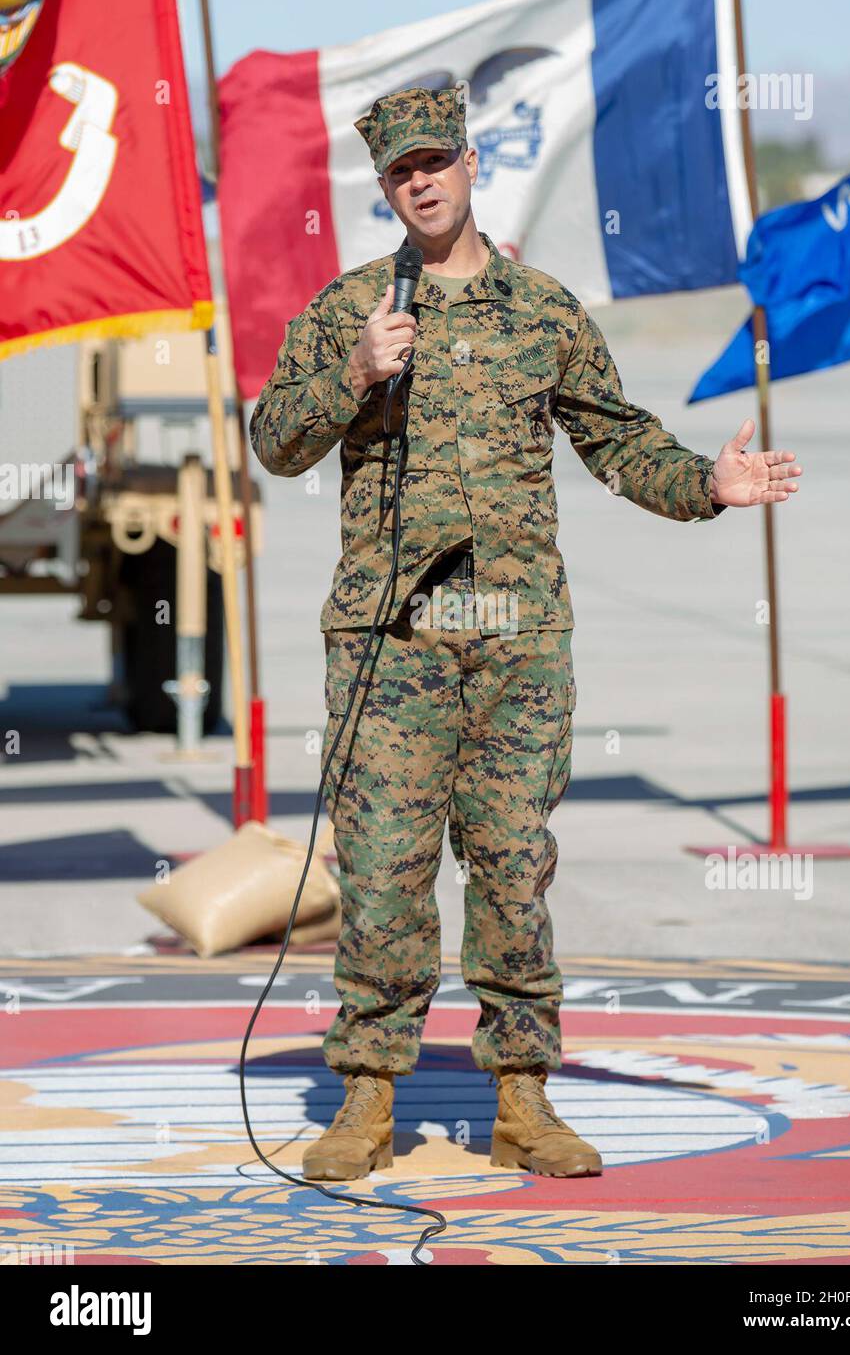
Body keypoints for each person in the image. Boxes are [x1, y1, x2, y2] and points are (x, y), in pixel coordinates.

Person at [249, 85, 802, 1182]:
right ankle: (365, 1097)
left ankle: (521, 1095)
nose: (423, 180)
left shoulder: (542, 310)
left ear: (467, 163)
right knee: (383, 871)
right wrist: (355, 372)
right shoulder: (350, 308)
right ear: (385, 185)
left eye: (437, 159)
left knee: (511, 866)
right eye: (402, 168)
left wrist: (708, 482)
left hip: (515, 643)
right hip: (391, 644)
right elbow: (274, 440)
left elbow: (616, 439)